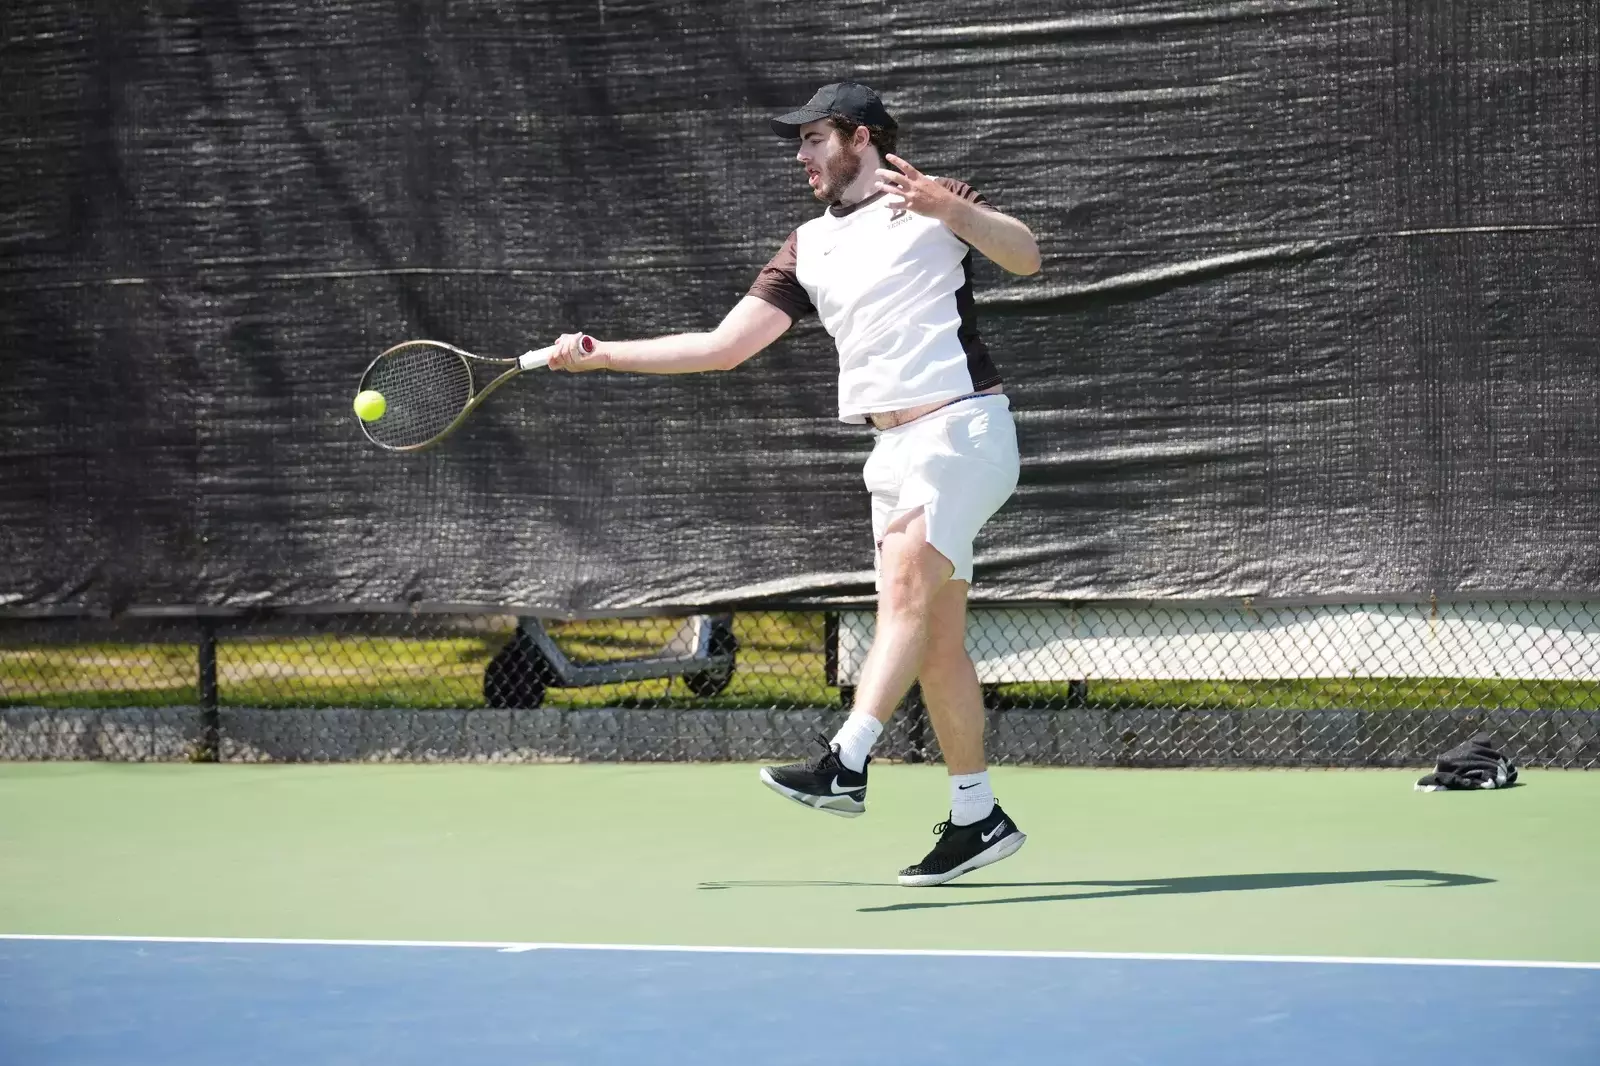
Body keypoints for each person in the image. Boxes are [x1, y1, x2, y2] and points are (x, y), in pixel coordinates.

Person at [546, 81, 1040, 887]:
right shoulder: (808, 245)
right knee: (936, 644)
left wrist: (953, 212)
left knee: (907, 600)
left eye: (815, 138)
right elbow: (723, 346)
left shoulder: (934, 203)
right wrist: (603, 355)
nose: (802, 155)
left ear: (862, 138)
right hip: (889, 451)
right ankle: (976, 814)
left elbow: (1025, 254)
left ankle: (844, 762)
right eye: (801, 142)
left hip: (960, 428)